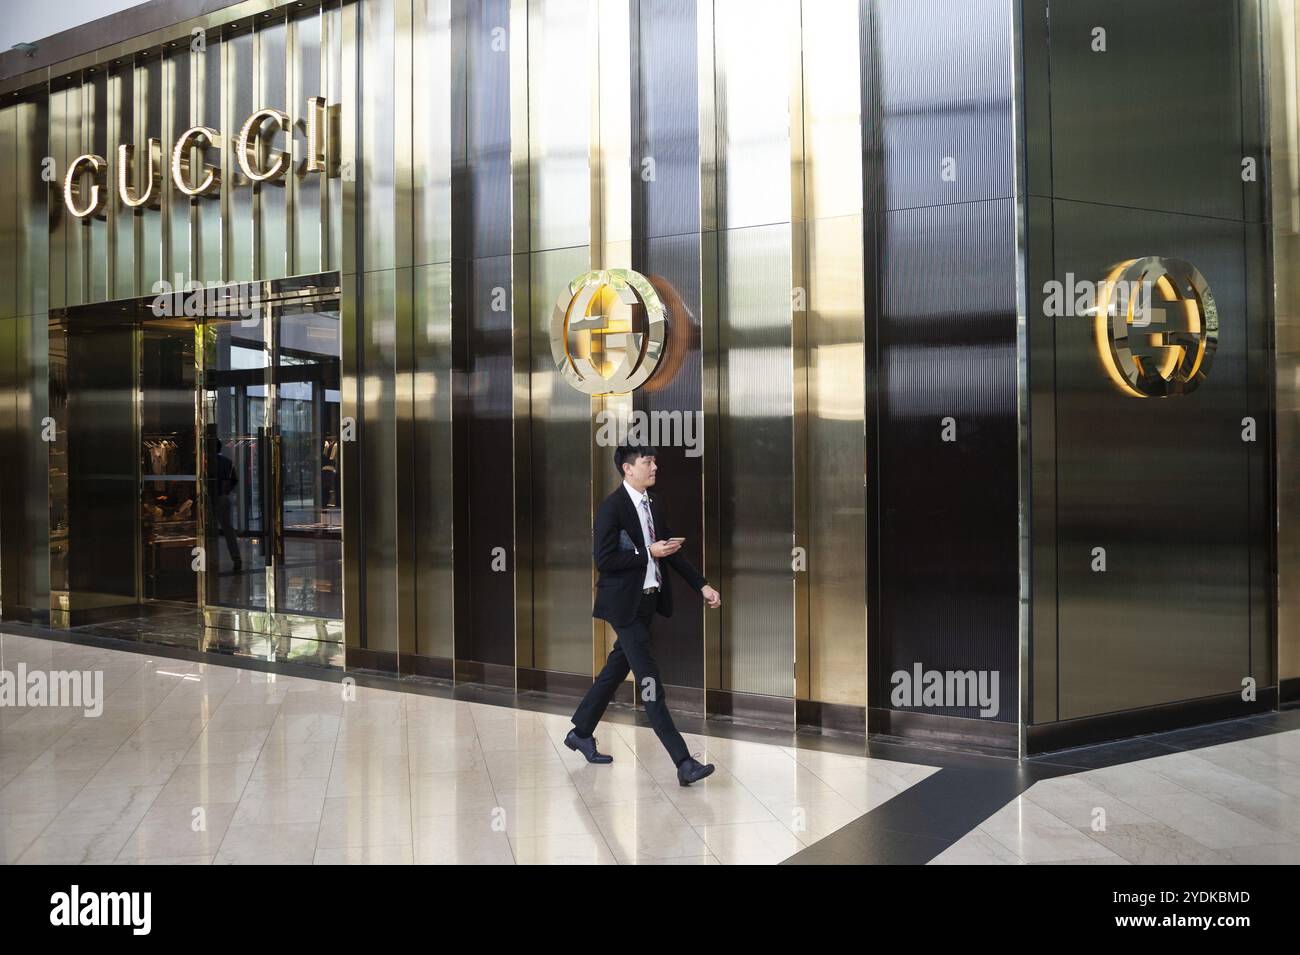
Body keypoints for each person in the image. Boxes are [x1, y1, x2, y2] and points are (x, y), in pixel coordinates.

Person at [565, 444, 723, 786]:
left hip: (648, 602)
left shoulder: (652, 503)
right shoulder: (611, 508)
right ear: (627, 468)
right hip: (624, 606)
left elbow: (669, 553)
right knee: (650, 680)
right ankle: (683, 762)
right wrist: (646, 552)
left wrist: (702, 586)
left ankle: (580, 732)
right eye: (647, 462)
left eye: (654, 462)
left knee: (615, 669)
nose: (654, 468)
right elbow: (605, 561)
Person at [206, 438, 242, 572]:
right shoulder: (227, 462)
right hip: (225, 497)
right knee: (229, 530)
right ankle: (236, 558)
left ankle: (211, 561)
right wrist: (227, 490)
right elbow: (234, 480)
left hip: (211, 498)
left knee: (210, 532)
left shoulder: (207, 463)